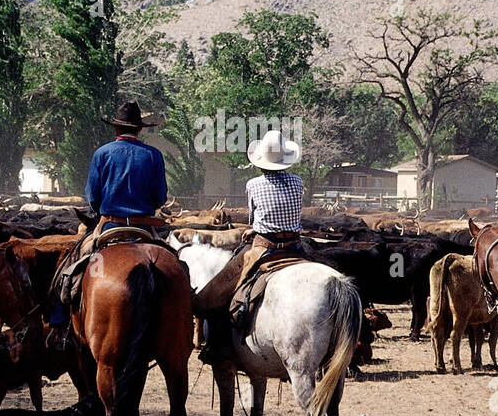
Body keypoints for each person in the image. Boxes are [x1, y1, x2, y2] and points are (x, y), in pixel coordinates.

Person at [46, 101, 168, 336]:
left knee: (68, 269)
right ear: (140, 129)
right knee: (177, 266)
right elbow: (160, 196)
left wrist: (102, 208)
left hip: (109, 224)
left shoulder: (102, 153)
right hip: (145, 228)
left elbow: (93, 196)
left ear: (116, 129)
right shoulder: (154, 155)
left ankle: (58, 324)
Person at [194, 129, 305, 364]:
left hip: (264, 248)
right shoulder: (298, 181)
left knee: (217, 293)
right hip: (295, 247)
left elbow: (255, 219)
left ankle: (218, 346)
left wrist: (253, 228)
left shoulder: (253, 184)